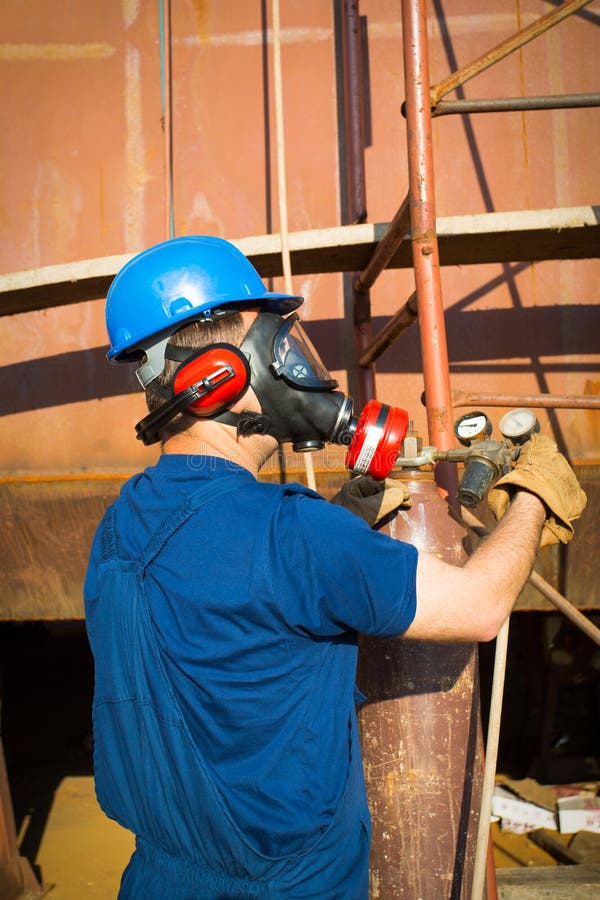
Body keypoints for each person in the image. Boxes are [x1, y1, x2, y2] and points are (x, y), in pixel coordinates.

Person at [84, 236, 586, 899]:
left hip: (157, 877)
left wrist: (343, 522)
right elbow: (480, 606)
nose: (294, 363)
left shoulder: (120, 526)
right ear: (219, 377)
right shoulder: (295, 533)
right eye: (275, 345)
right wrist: (532, 496)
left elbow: (231, 596)